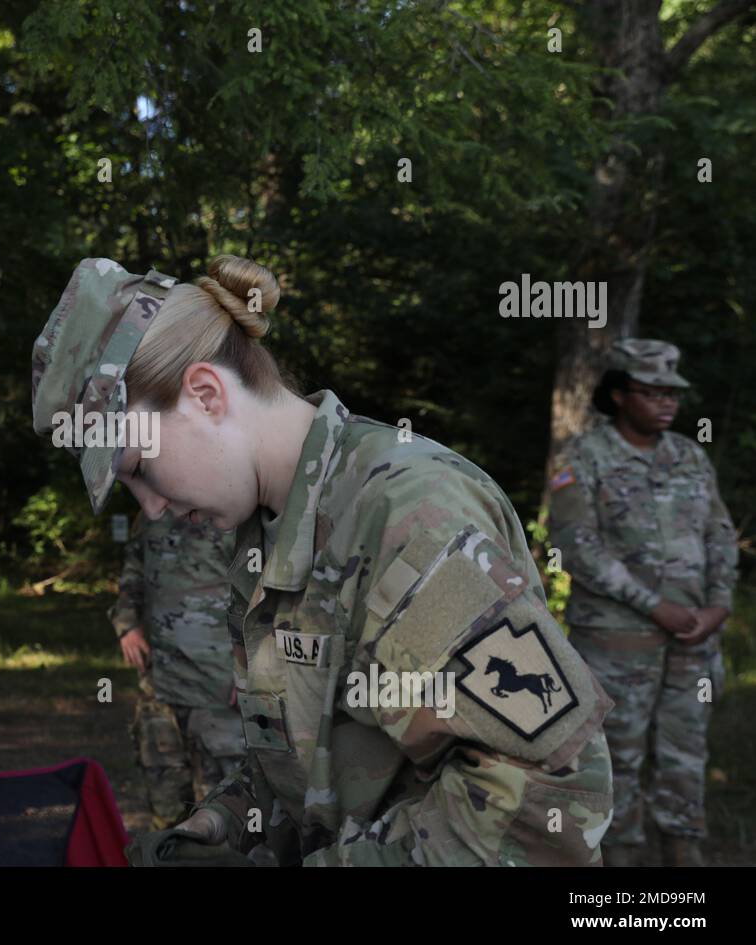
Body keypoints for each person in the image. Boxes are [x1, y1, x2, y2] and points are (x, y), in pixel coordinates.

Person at [32, 255, 613, 865]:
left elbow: (551, 795)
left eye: (141, 469)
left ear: (205, 394)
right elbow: (306, 769)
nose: (150, 508)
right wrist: (222, 826)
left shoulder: (409, 515)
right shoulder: (264, 534)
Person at [548, 339, 737, 867]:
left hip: (693, 641)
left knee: (685, 750)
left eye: (672, 393)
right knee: (616, 756)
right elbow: (575, 547)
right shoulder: (584, 457)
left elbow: (720, 535)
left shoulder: (689, 456)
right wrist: (653, 605)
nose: (667, 402)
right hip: (616, 642)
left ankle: (684, 849)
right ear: (618, 394)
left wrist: (720, 606)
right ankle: (623, 858)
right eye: (652, 392)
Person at [109, 510, 244, 830]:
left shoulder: (232, 508)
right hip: (160, 684)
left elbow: (263, 594)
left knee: (226, 809)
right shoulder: (151, 512)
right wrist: (127, 624)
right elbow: (134, 568)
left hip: (219, 687)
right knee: (166, 803)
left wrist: (253, 668)